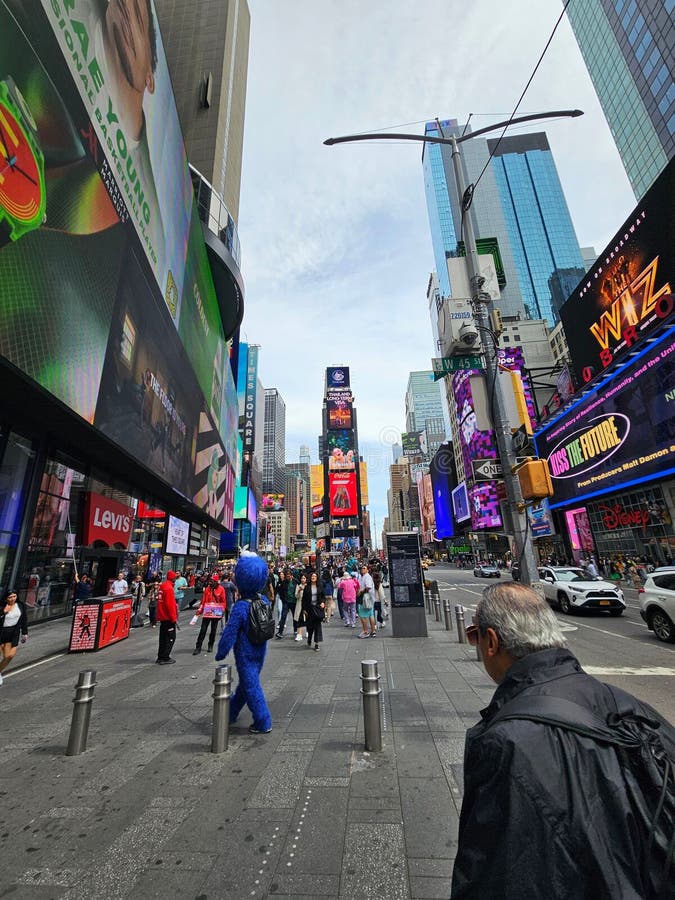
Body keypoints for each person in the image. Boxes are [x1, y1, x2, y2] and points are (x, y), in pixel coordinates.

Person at [451, 581, 675, 900]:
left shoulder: (507, 742)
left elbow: (502, 876)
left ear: (491, 642)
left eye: (475, 636)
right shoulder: (634, 708)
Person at [215, 553, 273, 734]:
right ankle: (231, 712)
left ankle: (263, 721)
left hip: (245, 653)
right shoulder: (263, 601)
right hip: (260, 648)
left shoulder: (241, 607)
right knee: (246, 684)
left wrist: (221, 652)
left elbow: (230, 632)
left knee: (251, 685)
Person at [0, 589, 28, 685]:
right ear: (5, 598)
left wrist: (25, 633)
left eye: (14, 596)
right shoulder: (2, 607)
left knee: (9, 656)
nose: (12, 599)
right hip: (1, 632)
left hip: (12, 633)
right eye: (10, 597)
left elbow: (24, 620)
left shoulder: (20, 606)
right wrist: (3, 612)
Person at [192, 575, 226, 654]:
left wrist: (222, 610)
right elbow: (203, 601)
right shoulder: (207, 589)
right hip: (207, 611)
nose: (210, 582)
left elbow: (223, 601)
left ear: (216, 582)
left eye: (212, 581)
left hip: (216, 611)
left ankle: (210, 645)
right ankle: (198, 647)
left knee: (213, 630)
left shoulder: (221, 589)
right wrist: (200, 610)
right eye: (210, 580)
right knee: (203, 630)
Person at [156, 570, 178, 665]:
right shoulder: (169, 589)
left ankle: (160, 656)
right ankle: (165, 657)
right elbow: (170, 605)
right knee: (170, 637)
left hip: (162, 616)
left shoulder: (163, 586)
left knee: (163, 637)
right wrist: (174, 618)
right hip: (168, 617)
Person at [302, 572, 325, 651]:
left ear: (317, 578)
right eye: (312, 576)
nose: (313, 577)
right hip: (309, 609)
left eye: (315, 576)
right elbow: (304, 599)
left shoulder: (320, 586)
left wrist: (322, 602)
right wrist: (304, 609)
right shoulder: (307, 587)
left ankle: (316, 643)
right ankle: (309, 639)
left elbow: (323, 596)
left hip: (317, 608)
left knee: (317, 626)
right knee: (310, 627)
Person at [275, 570, 296, 640]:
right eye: (287, 576)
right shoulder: (284, 582)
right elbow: (281, 592)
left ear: (291, 575)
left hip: (293, 602)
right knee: (283, 616)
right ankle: (280, 632)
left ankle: (295, 629)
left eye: (289, 576)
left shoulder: (295, 582)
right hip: (286, 602)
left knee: (294, 617)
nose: (288, 577)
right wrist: (283, 600)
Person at [356, 563, 376, 638]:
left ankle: (365, 631)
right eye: (361, 568)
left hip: (365, 598)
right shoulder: (363, 576)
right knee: (371, 615)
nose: (362, 569)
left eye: (364, 568)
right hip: (368, 598)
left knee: (363, 615)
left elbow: (368, 587)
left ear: (367, 570)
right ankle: (373, 631)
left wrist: (360, 591)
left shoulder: (367, 577)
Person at [294, 574, 307, 642]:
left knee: (308, 619)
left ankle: (308, 631)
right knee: (299, 619)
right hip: (299, 604)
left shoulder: (308, 586)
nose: (303, 579)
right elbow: (296, 596)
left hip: (307, 605)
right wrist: (299, 591)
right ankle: (299, 634)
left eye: (304, 578)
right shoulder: (298, 586)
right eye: (302, 578)